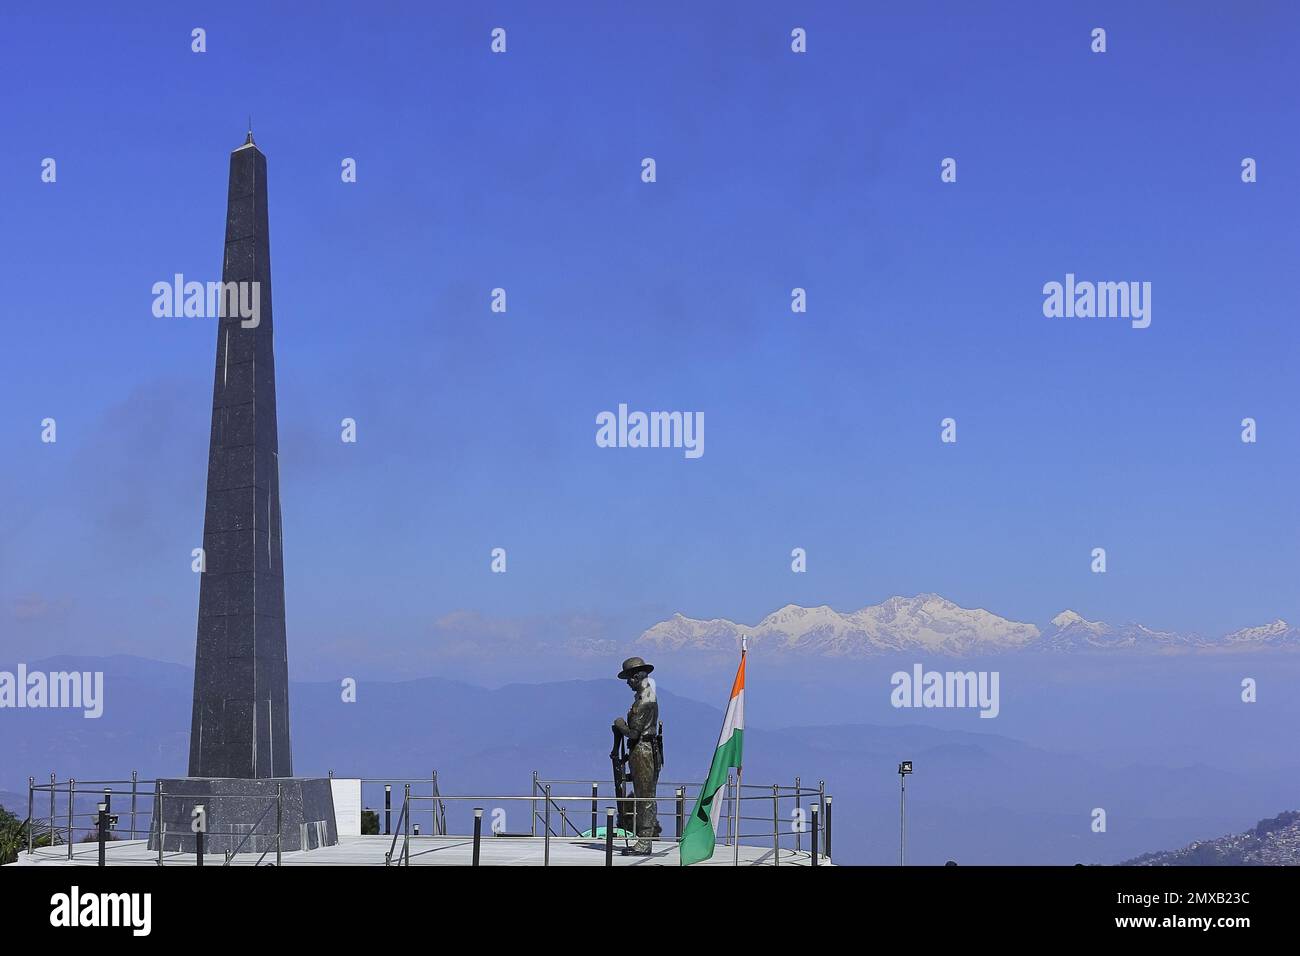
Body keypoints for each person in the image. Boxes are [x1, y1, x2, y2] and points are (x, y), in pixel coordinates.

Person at [612, 656, 662, 855]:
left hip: (643, 751)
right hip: (642, 750)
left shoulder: (644, 701)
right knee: (644, 795)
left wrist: (619, 724)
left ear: (636, 677)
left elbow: (633, 733)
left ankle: (644, 841)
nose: (627, 683)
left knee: (644, 796)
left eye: (629, 678)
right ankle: (644, 838)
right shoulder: (645, 696)